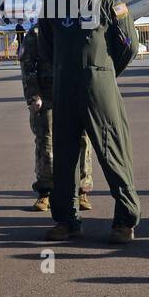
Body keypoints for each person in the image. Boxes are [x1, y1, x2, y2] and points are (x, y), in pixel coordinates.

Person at [38, 0, 140, 243]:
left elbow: (129, 47)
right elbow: (47, 50)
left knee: (112, 153)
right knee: (64, 157)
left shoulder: (112, 6)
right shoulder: (52, 8)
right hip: (65, 90)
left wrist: (103, 73)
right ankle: (67, 220)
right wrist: (66, 71)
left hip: (99, 91)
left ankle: (125, 220)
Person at [18, 22, 92, 212]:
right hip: (47, 95)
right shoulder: (37, 31)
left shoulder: (78, 25)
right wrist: (33, 95)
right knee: (46, 143)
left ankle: (81, 190)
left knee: (83, 140)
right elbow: (27, 65)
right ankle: (46, 191)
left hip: (76, 91)